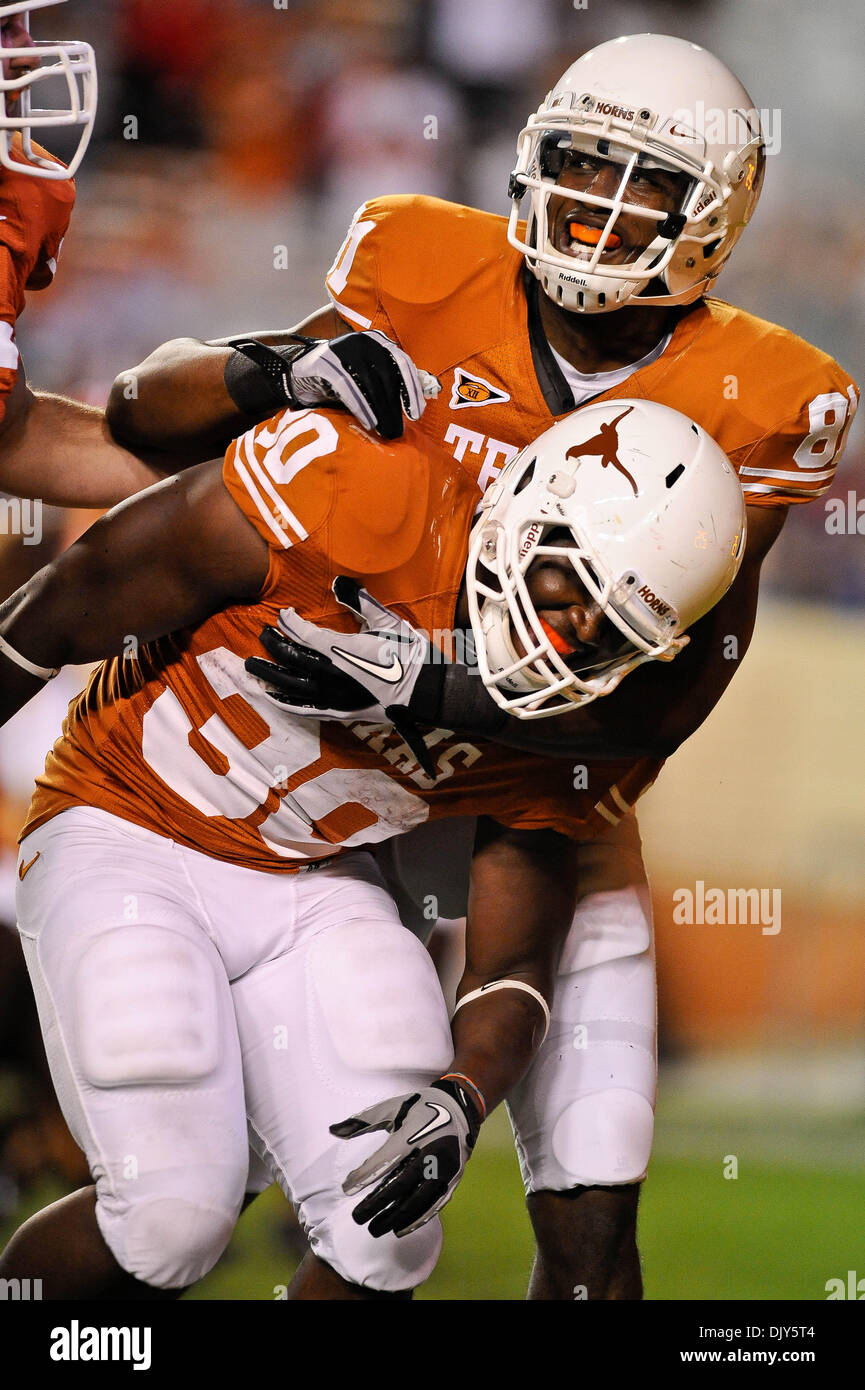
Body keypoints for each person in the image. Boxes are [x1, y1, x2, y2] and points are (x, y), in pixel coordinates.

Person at [104, 34, 859, 1298]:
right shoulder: (422, 260)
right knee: (237, 1192)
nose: (599, 208)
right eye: (580, 165)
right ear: (529, 160)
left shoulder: (765, 395)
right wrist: (257, 369)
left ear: (714, 216)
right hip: (338, 792)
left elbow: (661, 708)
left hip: (539, 812)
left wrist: (430, 684)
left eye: (645, 185)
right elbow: (146, 418)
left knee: (589, 1220)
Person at [0, 397, 744, 1299]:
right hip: (127, 820)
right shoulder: (359, 494)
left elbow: (512, 962)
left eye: (613, 631)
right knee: (169, 1224)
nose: (574, 635)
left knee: (385, 1233)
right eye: (572, 585)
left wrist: (462, 1098)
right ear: (525, 514)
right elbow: (69, 602)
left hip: (309, 878)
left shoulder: (572, 730)